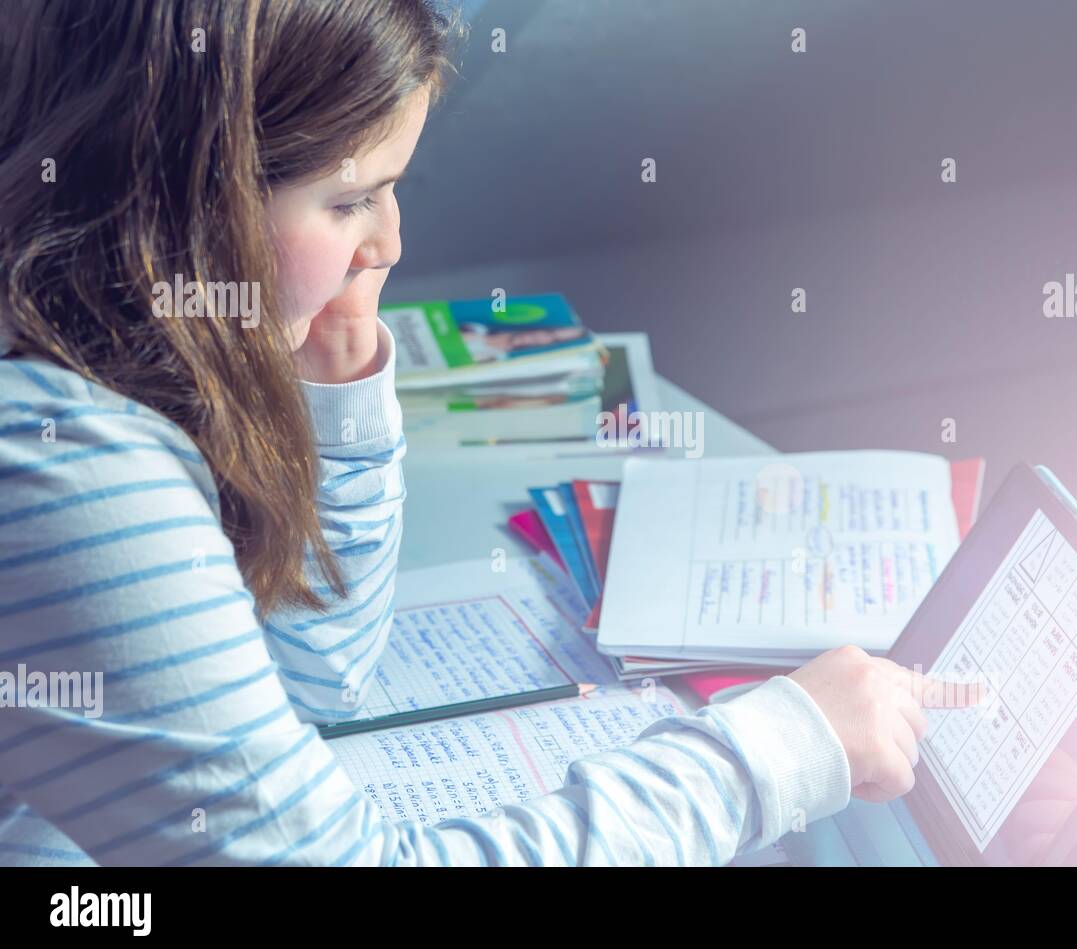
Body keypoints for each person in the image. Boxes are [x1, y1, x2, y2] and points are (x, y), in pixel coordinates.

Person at [0, 0, 980, 866]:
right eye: (348, 201)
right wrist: (781, 752)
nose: (389, 244)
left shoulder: (93, 354)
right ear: (183, 194)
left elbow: (308, 676)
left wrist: (336, 355)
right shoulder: (68, 470)